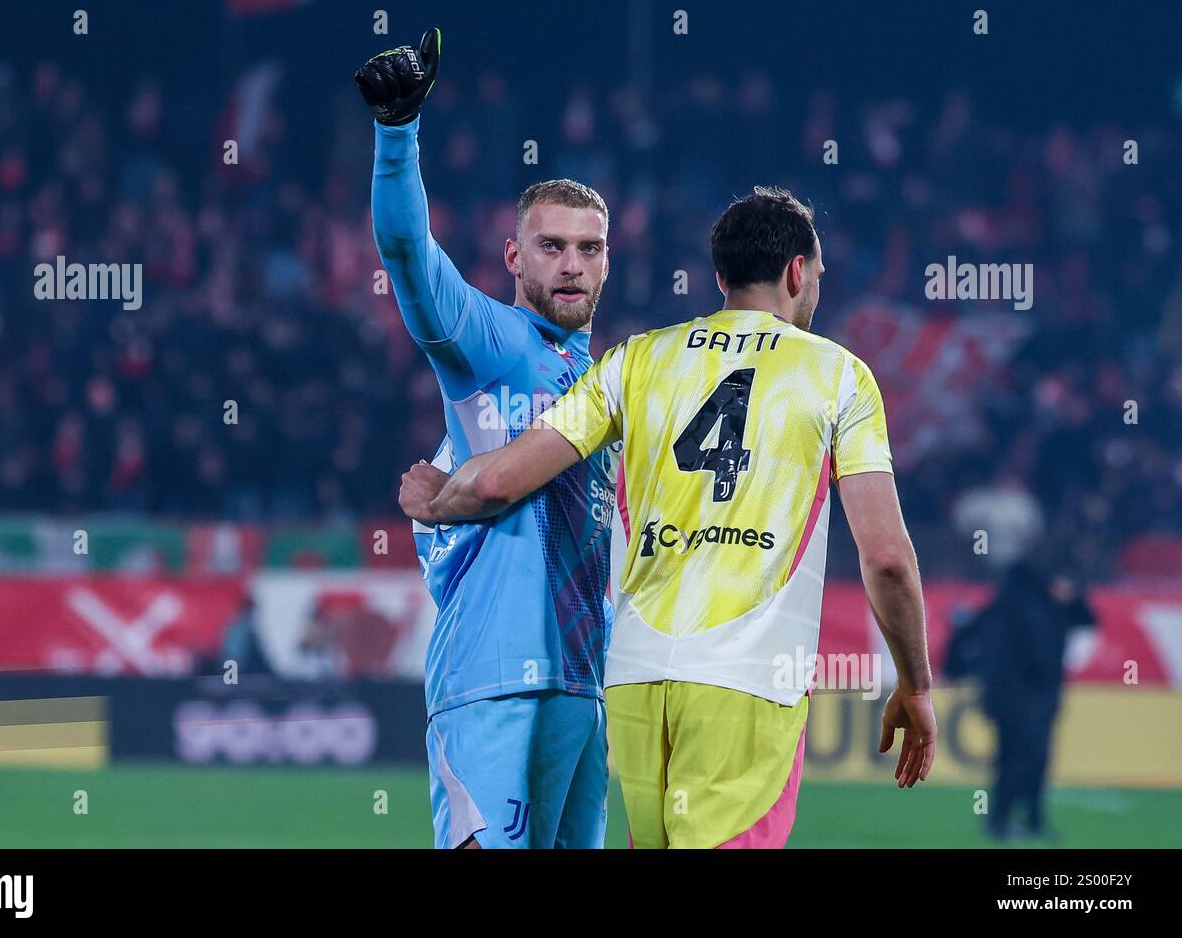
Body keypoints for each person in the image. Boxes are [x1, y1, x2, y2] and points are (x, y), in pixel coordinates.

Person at [400, 187, 937, 848]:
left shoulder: (636, 359)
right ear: (798, 272)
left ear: (720, 278)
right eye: (818, 277)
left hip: (634, 679)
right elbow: (886, 558)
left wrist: (439, 496)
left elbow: (501, 481)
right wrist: (916, 685)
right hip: (747, 677)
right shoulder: (838, 376)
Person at [356, 30, 618, 848]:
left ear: (608, 264)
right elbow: (407, 255)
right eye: (552, 246)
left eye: (589, 248)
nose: (572, 264)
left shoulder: (610, 383)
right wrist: (398, 135)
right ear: (513, 257)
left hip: (583, 687)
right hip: (493, 682)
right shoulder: (496, 344)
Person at [947, 556, 1096, 841]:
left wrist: (960, 670)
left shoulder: (998, 608)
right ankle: (1015, 820)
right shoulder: (1040, 611)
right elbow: (1082, 623)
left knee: (1012, 759)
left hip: (1007, 700)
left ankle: (1013, 820)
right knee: (1031, 758)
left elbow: (963, 641)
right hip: (1032, 701)